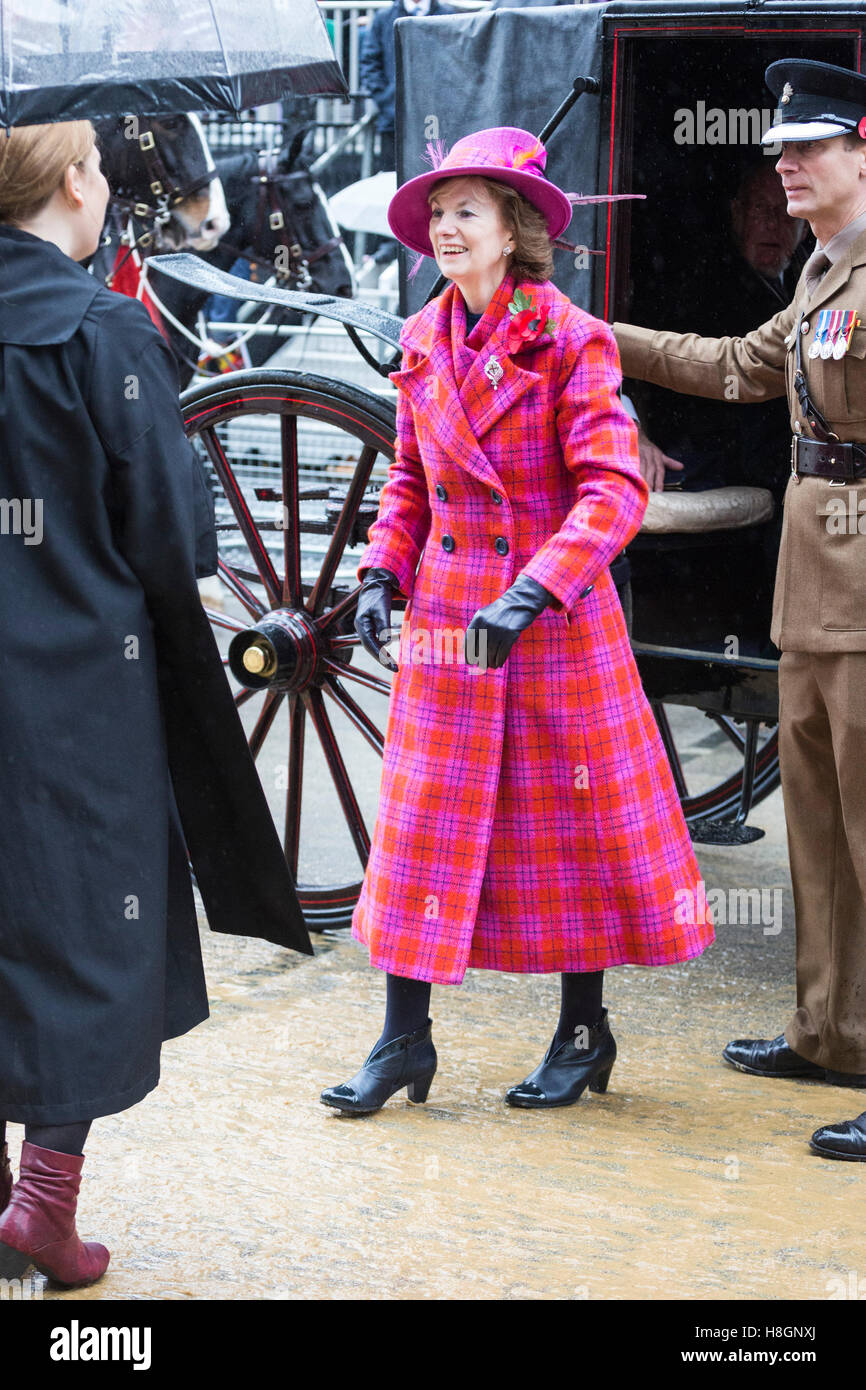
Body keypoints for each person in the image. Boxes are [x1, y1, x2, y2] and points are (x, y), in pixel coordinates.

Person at [319, 126, 714, 1117]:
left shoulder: (571, 338)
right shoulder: (421, 339)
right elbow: (409, 476)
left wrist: (534, 590)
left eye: (466, 212)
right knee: (417, 830)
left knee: (569, 835)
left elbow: (613, 491)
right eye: (437, 213)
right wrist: (380, 569)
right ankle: (401, 1040)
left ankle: (583, 1033)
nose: (444, 229)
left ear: (515, 230)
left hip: (551, 621)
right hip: (452, 624)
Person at [0, 120, 312, 1288]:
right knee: (78, 923)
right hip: (76, 691)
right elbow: (172, 537)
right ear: (76, 182)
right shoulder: (101, 327)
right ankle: (42, 1205)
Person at [613, 59, 866, 1160]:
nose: (784, 162)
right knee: (814, 826)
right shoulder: (822, 274)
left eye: (806, 147)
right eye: (780, 148)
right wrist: (596, 335)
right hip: (812, 587)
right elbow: (727, 367)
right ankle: (826, 1030)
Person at [630, 159, 808, 498]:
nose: (774, 223)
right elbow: (635, 372)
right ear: (736, 213)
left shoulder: (816, 276)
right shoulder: (694, 283)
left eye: (785, 211)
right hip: (710, 459)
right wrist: (635, 432)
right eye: (760, 209)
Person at [359, 0, 455, 174]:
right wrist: (388, 102)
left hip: (437, 120)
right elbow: (370, 64)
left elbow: (456, 63)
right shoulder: (383, 18)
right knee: (392, 179)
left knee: (438, 176)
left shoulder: (449, 14)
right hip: (394, 120)